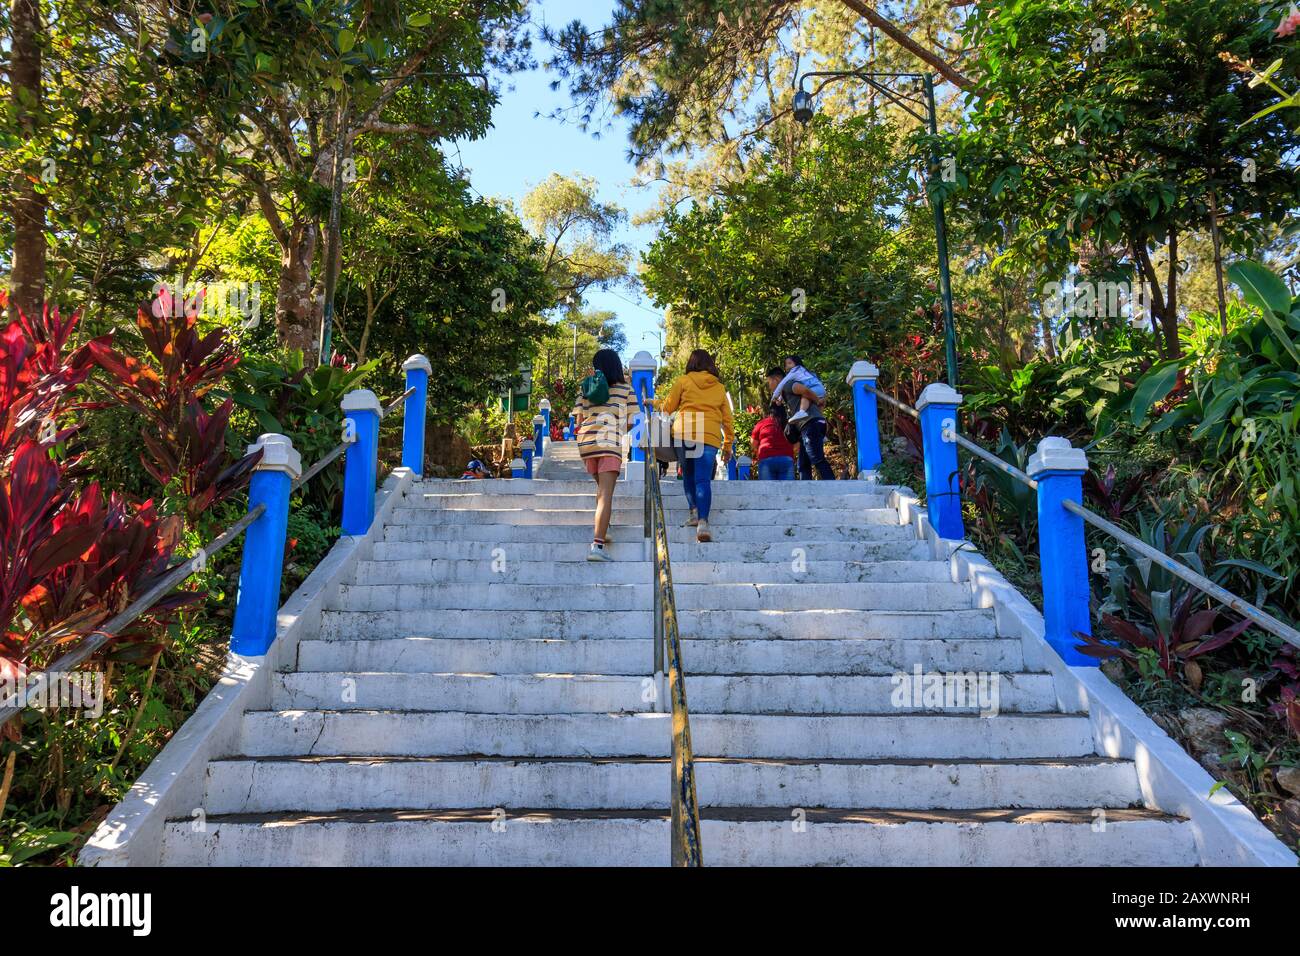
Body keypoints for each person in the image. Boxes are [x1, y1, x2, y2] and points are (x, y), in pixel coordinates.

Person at [654, 349, 734, 542]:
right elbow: (728, 419)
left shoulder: (684, 381)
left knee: (688, 474)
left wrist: (653, 402)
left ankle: (693, 511)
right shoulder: (719, 388)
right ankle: (703, 522)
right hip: (709, 435)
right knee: (703, 479)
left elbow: (668, 407)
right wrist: (728, 445)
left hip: (685, 433)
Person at [574, 348, 636, 561]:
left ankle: (604, 527)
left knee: (601, 490)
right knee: (606, 494)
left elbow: (578, 421)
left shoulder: (586, 388)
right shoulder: (626, 389)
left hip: (586, 443)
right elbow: (630, 421)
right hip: (609, 442)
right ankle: (597, 547)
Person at [774, 361, 835, 480]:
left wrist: (817, 400)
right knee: (803, 464)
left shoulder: (789, 384)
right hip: (809, 425)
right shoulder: (785, 392)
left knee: (816, 457)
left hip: (810, 423)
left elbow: (805, 391)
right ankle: (806, 489)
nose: (769, 385)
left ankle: (833, 485)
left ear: (777, 380)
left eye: (770, 381)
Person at [772, 354, 826, 424]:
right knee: (815, 403)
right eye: (786, 365)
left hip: (813, 387)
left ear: (796, 363)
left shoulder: (794, 371)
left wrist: (774, 396)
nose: (787, 366)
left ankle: (802, 411)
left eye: (789, 363)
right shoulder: (804, 370)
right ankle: (821, 417)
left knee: (805, 395)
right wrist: (780, 398)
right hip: (820, 388)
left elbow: (782, 384)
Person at [750, 400, 797, 480]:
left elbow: (753, 444)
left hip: (766, 458)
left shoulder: (762, 423)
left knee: (767, 490)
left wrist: (758, 454)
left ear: (770, 411)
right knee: (787, 491)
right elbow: (797, 445)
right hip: (786, 459)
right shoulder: (790, 424)